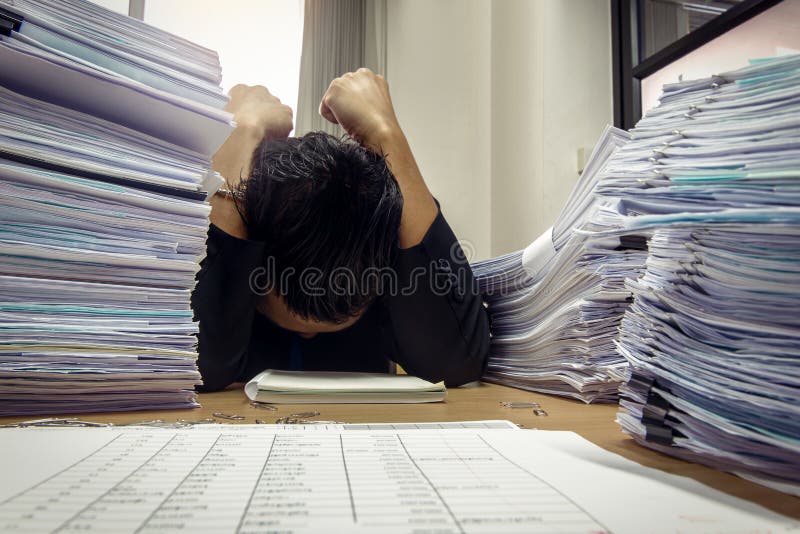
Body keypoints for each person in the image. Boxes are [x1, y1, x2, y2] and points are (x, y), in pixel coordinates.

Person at [192, 68, 490, 391]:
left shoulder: (375, 246)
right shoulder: (243, 247)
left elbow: (460, 361)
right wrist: (240, 134)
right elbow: (192, 362)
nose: (308, 335)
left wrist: (387, 135)